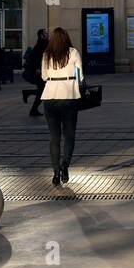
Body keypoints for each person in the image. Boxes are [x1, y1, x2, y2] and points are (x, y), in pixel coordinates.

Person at [40, 27, 83, 186]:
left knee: (54, 138)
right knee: (69, 135)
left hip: (50, 97)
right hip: (69, 97)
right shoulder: (73, 53)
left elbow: (44, 76)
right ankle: (65, 165)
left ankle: (56, 173)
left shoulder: (46, 55)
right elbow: (80, 76)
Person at [20, 28, 49, 117]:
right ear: (41, 35)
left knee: (43, 90)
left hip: (39, 71)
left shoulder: (42, 43)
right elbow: (36, 58)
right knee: (43, 91)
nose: (48, 34)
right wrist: (37, 68)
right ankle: (33, 109)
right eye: (46, 33)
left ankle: (28, 95)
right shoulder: (42, 44)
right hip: (37, 72)